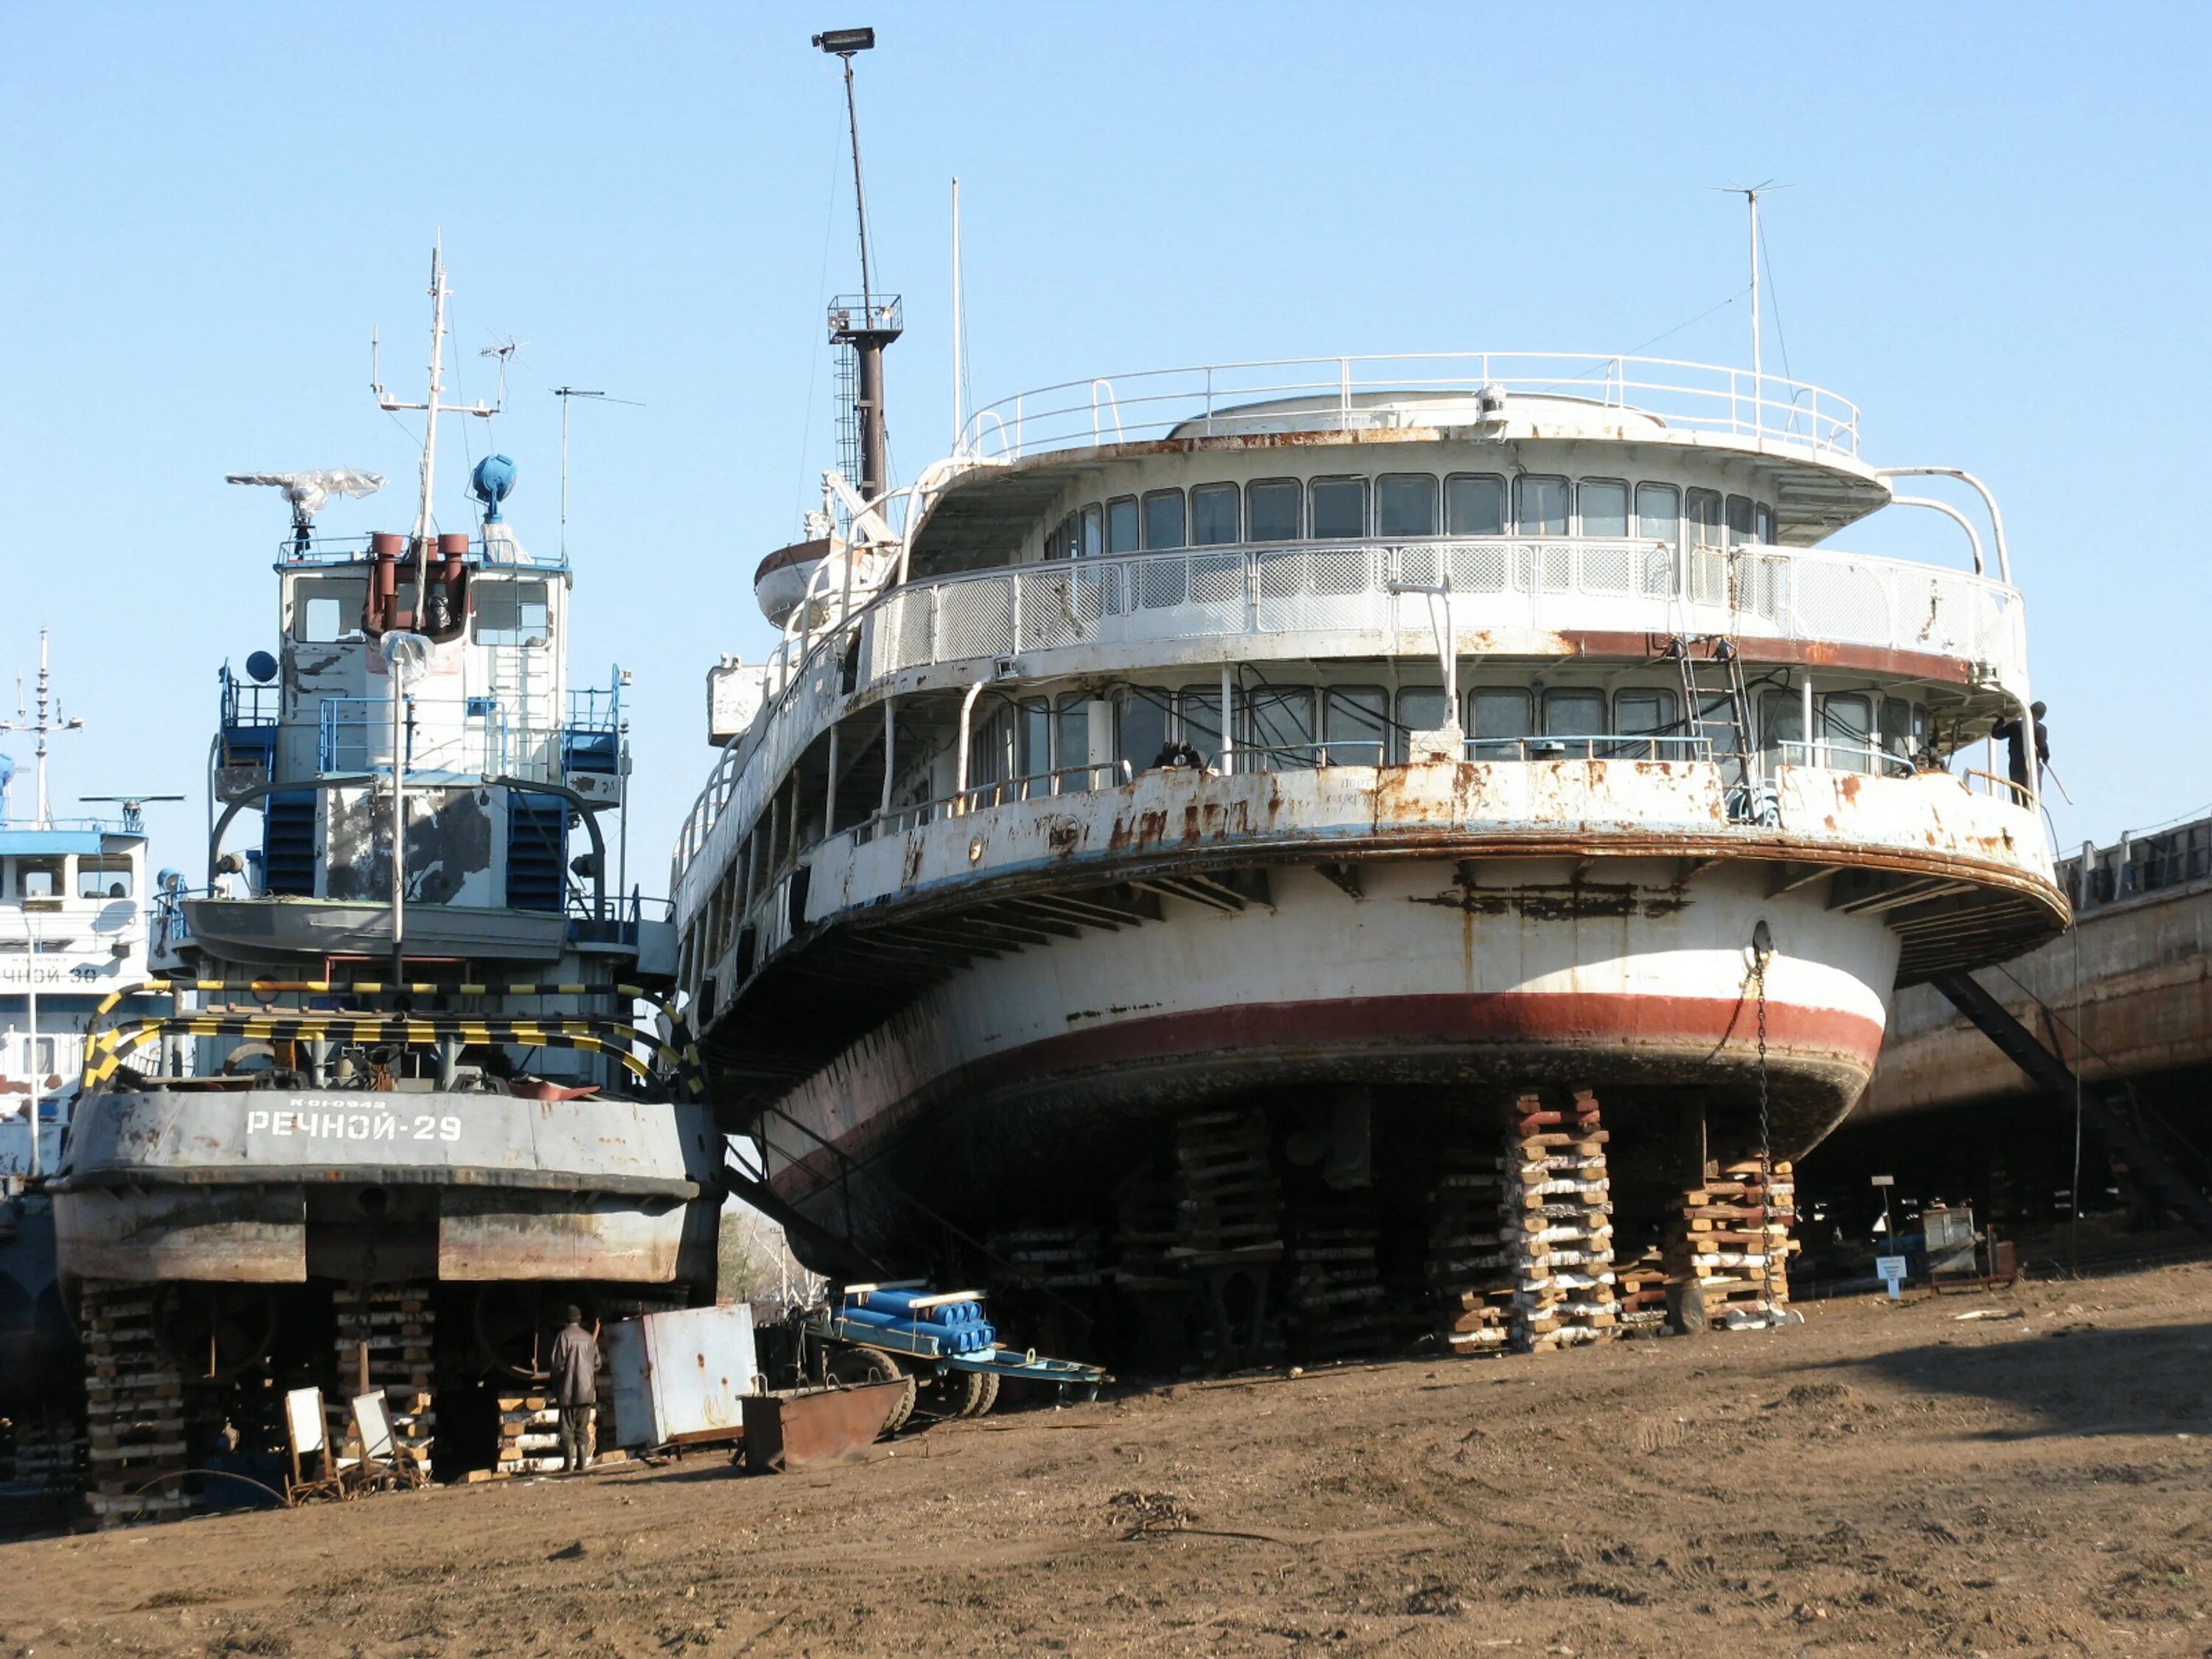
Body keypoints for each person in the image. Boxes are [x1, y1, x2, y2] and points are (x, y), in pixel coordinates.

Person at [549, 1305, 600, 1472]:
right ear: (579, 1319)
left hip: (568, 1390)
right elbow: (597, 1364)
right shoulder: (589, 1338)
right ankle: (582, 1464)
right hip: (586, 1392)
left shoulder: (563, 1336)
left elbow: (558, 1365)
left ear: (566, 1320)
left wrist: (555, 1381)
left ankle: (568, 1465)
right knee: (582, 1426)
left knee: (566, 1427)